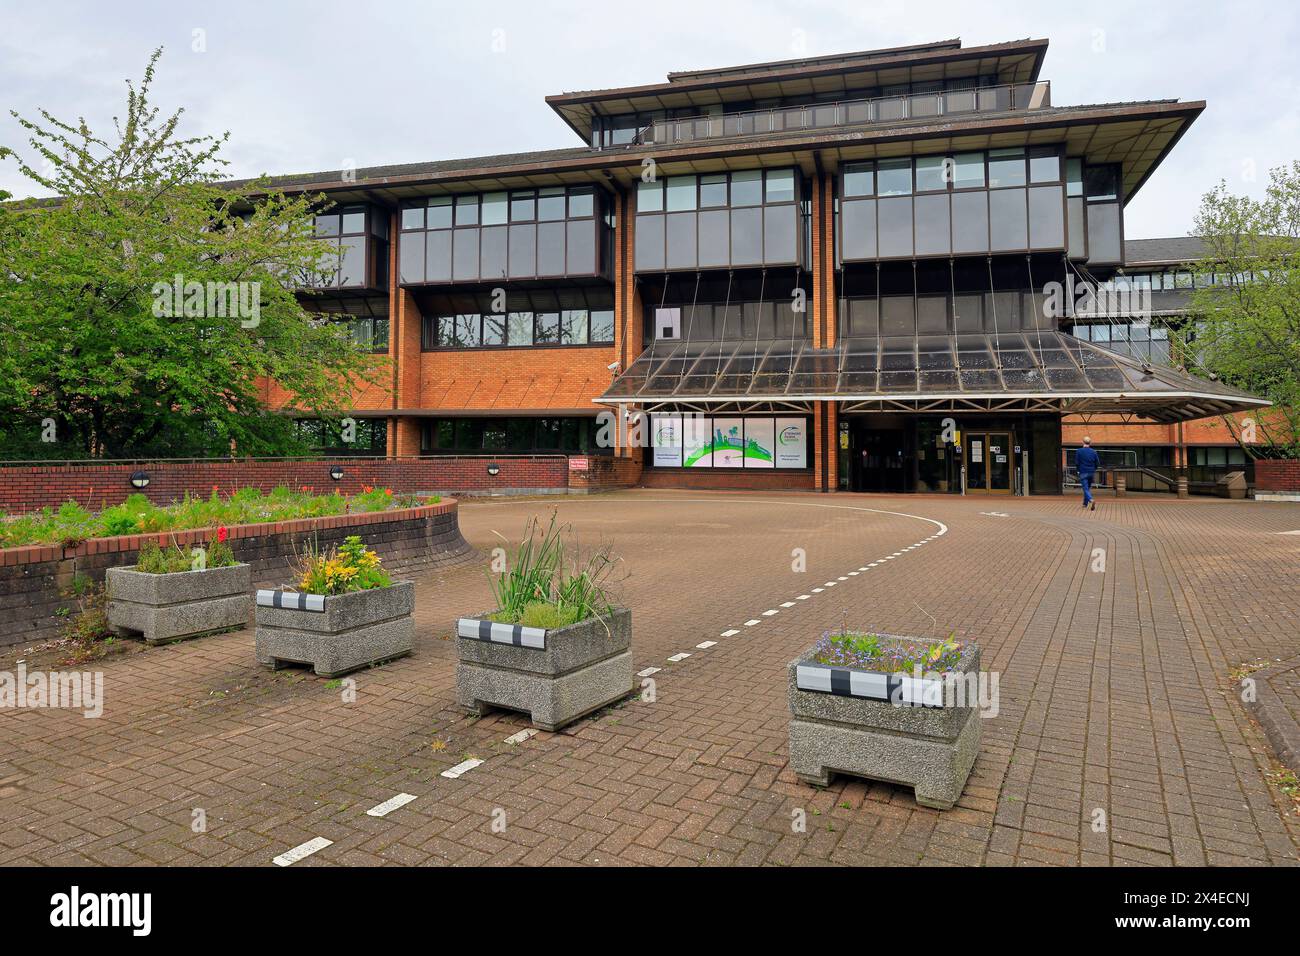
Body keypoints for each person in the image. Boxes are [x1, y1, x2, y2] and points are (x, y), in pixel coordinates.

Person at [1076, 437, 1100, 511]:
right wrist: (1094, 469)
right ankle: (1085, 504)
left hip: (1083, 471)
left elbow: (1077, 462)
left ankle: (1091, 500)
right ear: (1090, 443)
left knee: (1085, 488)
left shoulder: (1079, 451)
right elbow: (1097, 462)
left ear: (1083, 442)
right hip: (1091, 472)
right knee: (1087, 488)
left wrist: (1078, 470)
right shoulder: (1094, 452)